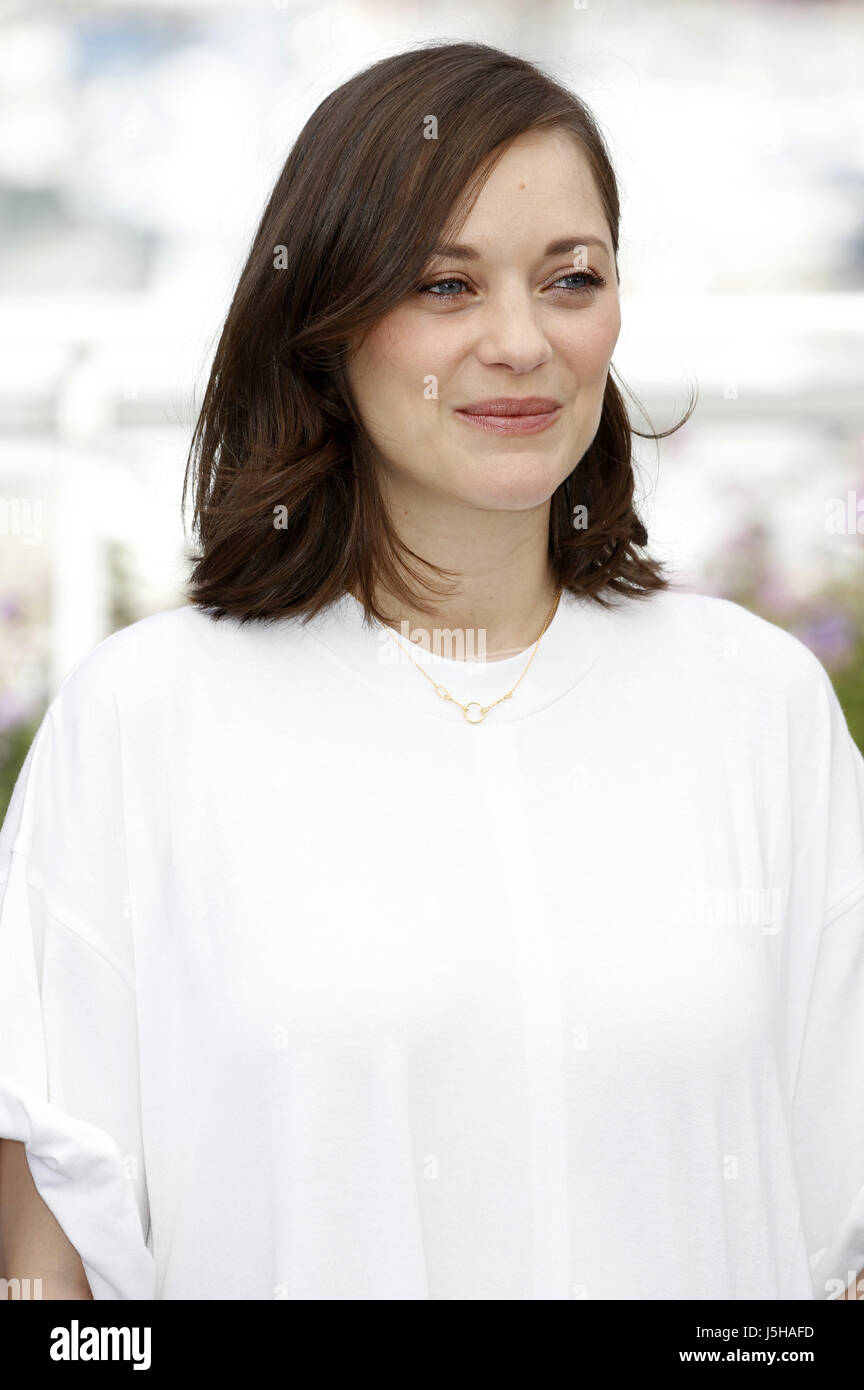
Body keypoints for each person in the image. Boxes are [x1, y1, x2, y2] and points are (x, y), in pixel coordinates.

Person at [1, 40, 863, 1302]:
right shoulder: (143, 721)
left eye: (571, 279)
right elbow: (49, 1284)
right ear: (325, 318)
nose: (520, 342)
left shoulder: (763, 710)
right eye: (444, 285)